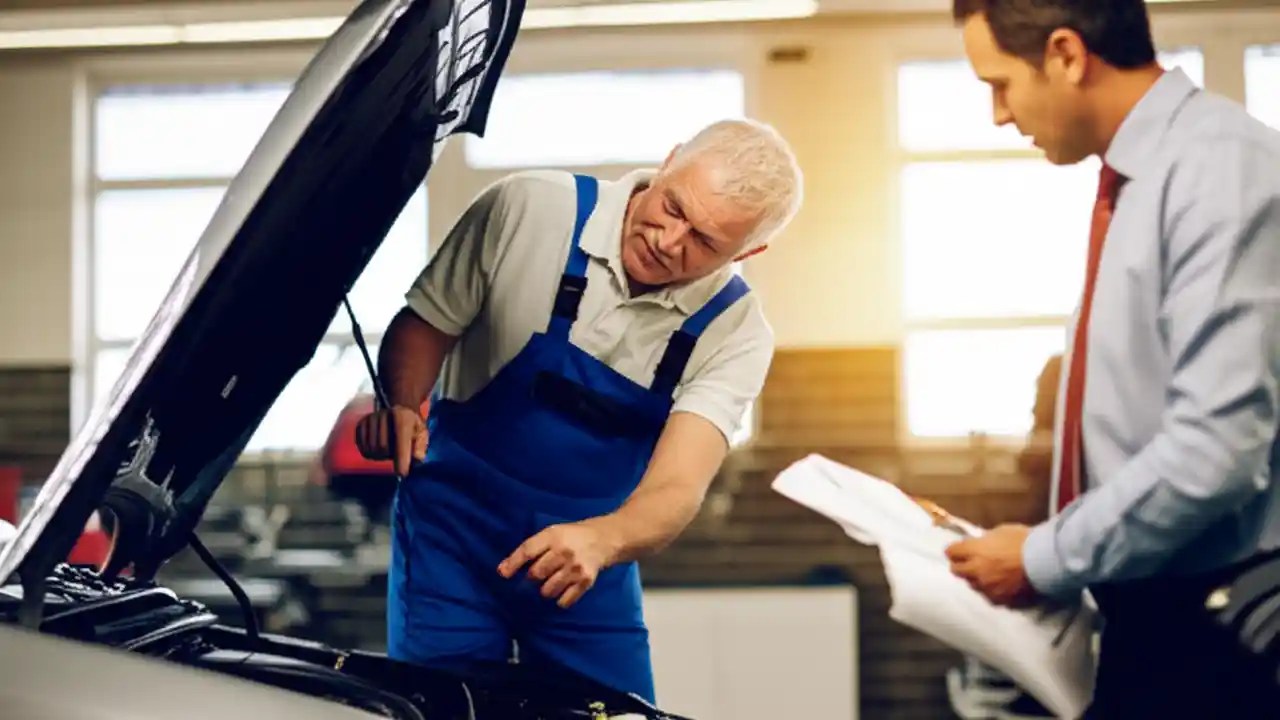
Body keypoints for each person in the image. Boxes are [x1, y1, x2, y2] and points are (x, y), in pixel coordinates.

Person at [353, 119, 803, 703]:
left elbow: (676, 488)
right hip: (450, 541)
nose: (669, 240)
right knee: (441, 709)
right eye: (673, 208)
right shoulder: (529, 208)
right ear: (667, 161)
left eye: (705, 242)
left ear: (749, 251)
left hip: (586, 567)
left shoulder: (736, 333)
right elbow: (424, 325)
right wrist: (404, 402)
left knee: (617, 715)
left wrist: (603, 541)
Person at [942, 1, 1280, 717]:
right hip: (1153, 611)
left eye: (1000, 84)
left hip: (1221, 623)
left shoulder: (1218, 169)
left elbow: (1217, 449)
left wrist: (1041, 557)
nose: (1000, 115)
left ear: (1067, 54)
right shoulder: (1141, 182)